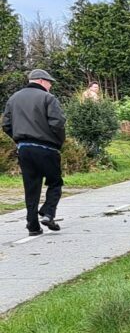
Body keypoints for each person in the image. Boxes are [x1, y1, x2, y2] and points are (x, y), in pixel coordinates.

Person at [1, 69, 66, 235]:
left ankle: (32, 225)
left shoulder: (14, 98)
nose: (50, 85)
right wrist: (58, 142)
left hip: (24, 148)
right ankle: (48, 213)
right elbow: (57, 123)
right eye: (50, 82)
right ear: (42, 81)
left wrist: (19, 140)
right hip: (46, 148)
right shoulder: (48, 98)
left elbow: (6, 125)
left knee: (31, 187)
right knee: (55, 182)